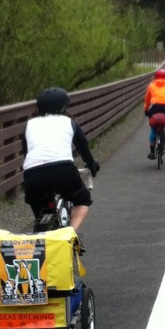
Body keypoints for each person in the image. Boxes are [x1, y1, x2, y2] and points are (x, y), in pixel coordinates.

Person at [21, 87, 99, 233]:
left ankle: (43, 233)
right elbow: (84, 149)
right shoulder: (69, 123)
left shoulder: (29, 125)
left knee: (43, 213)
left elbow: (26, 154)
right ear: (64, 106)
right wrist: (92, 166)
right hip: (63, 172)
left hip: (33, 175)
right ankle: (70, 235)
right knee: (83, 201)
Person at [143, 67, 165, 159]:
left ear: (155, 77)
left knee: (153, 129)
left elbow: (147, 99)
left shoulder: (151, 85)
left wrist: (146, 110)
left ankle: (152, 152)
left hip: (154, 107)